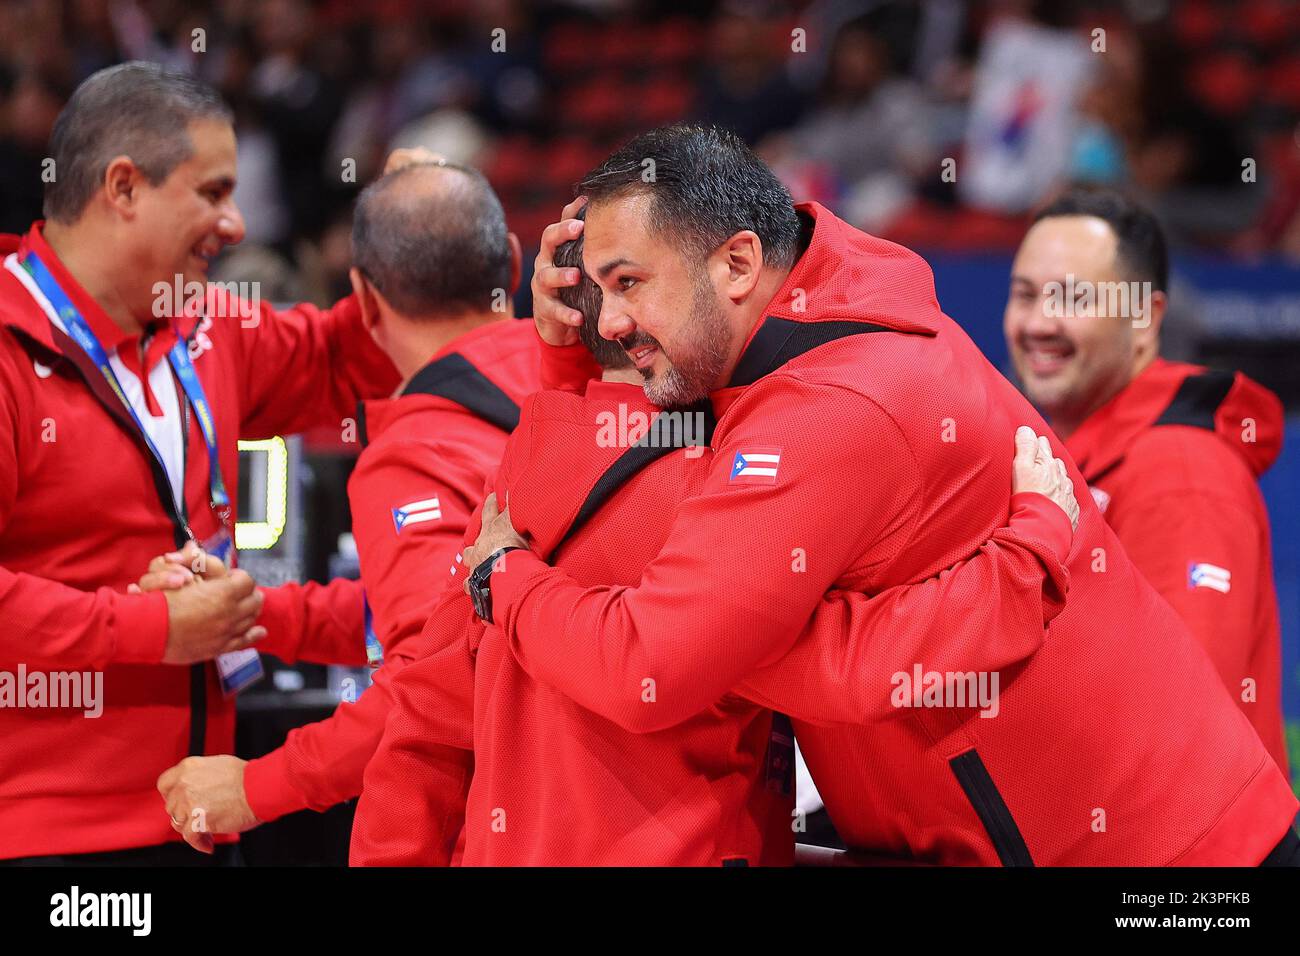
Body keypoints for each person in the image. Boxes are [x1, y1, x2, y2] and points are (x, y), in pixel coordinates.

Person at [465, 124, 1297, 865]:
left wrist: (499, 581)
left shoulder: (831, 409)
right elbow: (767, 631)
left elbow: (649, 662)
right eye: (597, 291)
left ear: (741, 263)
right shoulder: (817, 312)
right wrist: (574, 355)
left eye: (628, 282)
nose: (607, 320)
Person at [350, 223, 1080, 866]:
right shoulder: (725, 489)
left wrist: (561, 363)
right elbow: (857, 667)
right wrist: (1031, 555)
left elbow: (423, 725)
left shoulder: (511, 488)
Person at [0, 62, 402, 864]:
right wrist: (150, 629)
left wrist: (438, 252)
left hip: (203, 813)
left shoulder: (205, 325)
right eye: (213, 192)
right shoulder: (9, 351)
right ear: (123, 188)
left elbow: (349, 354)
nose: (237, 223)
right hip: (51, 841)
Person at [148, 158, 541, 853]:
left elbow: (437, 683)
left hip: (488, 827)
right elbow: (461, 613)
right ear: (510, 262)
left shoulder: (414, 452)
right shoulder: (592, 381)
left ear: (360, 299)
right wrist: (259, 612)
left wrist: (256, 787)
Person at [1004, 186, 1289, 776]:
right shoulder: (1077, 460)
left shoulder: (1182, 476)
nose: (1037, 323)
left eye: (1072, 297)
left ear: (1145, 317)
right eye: (1025, 295)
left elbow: (1185, 732)